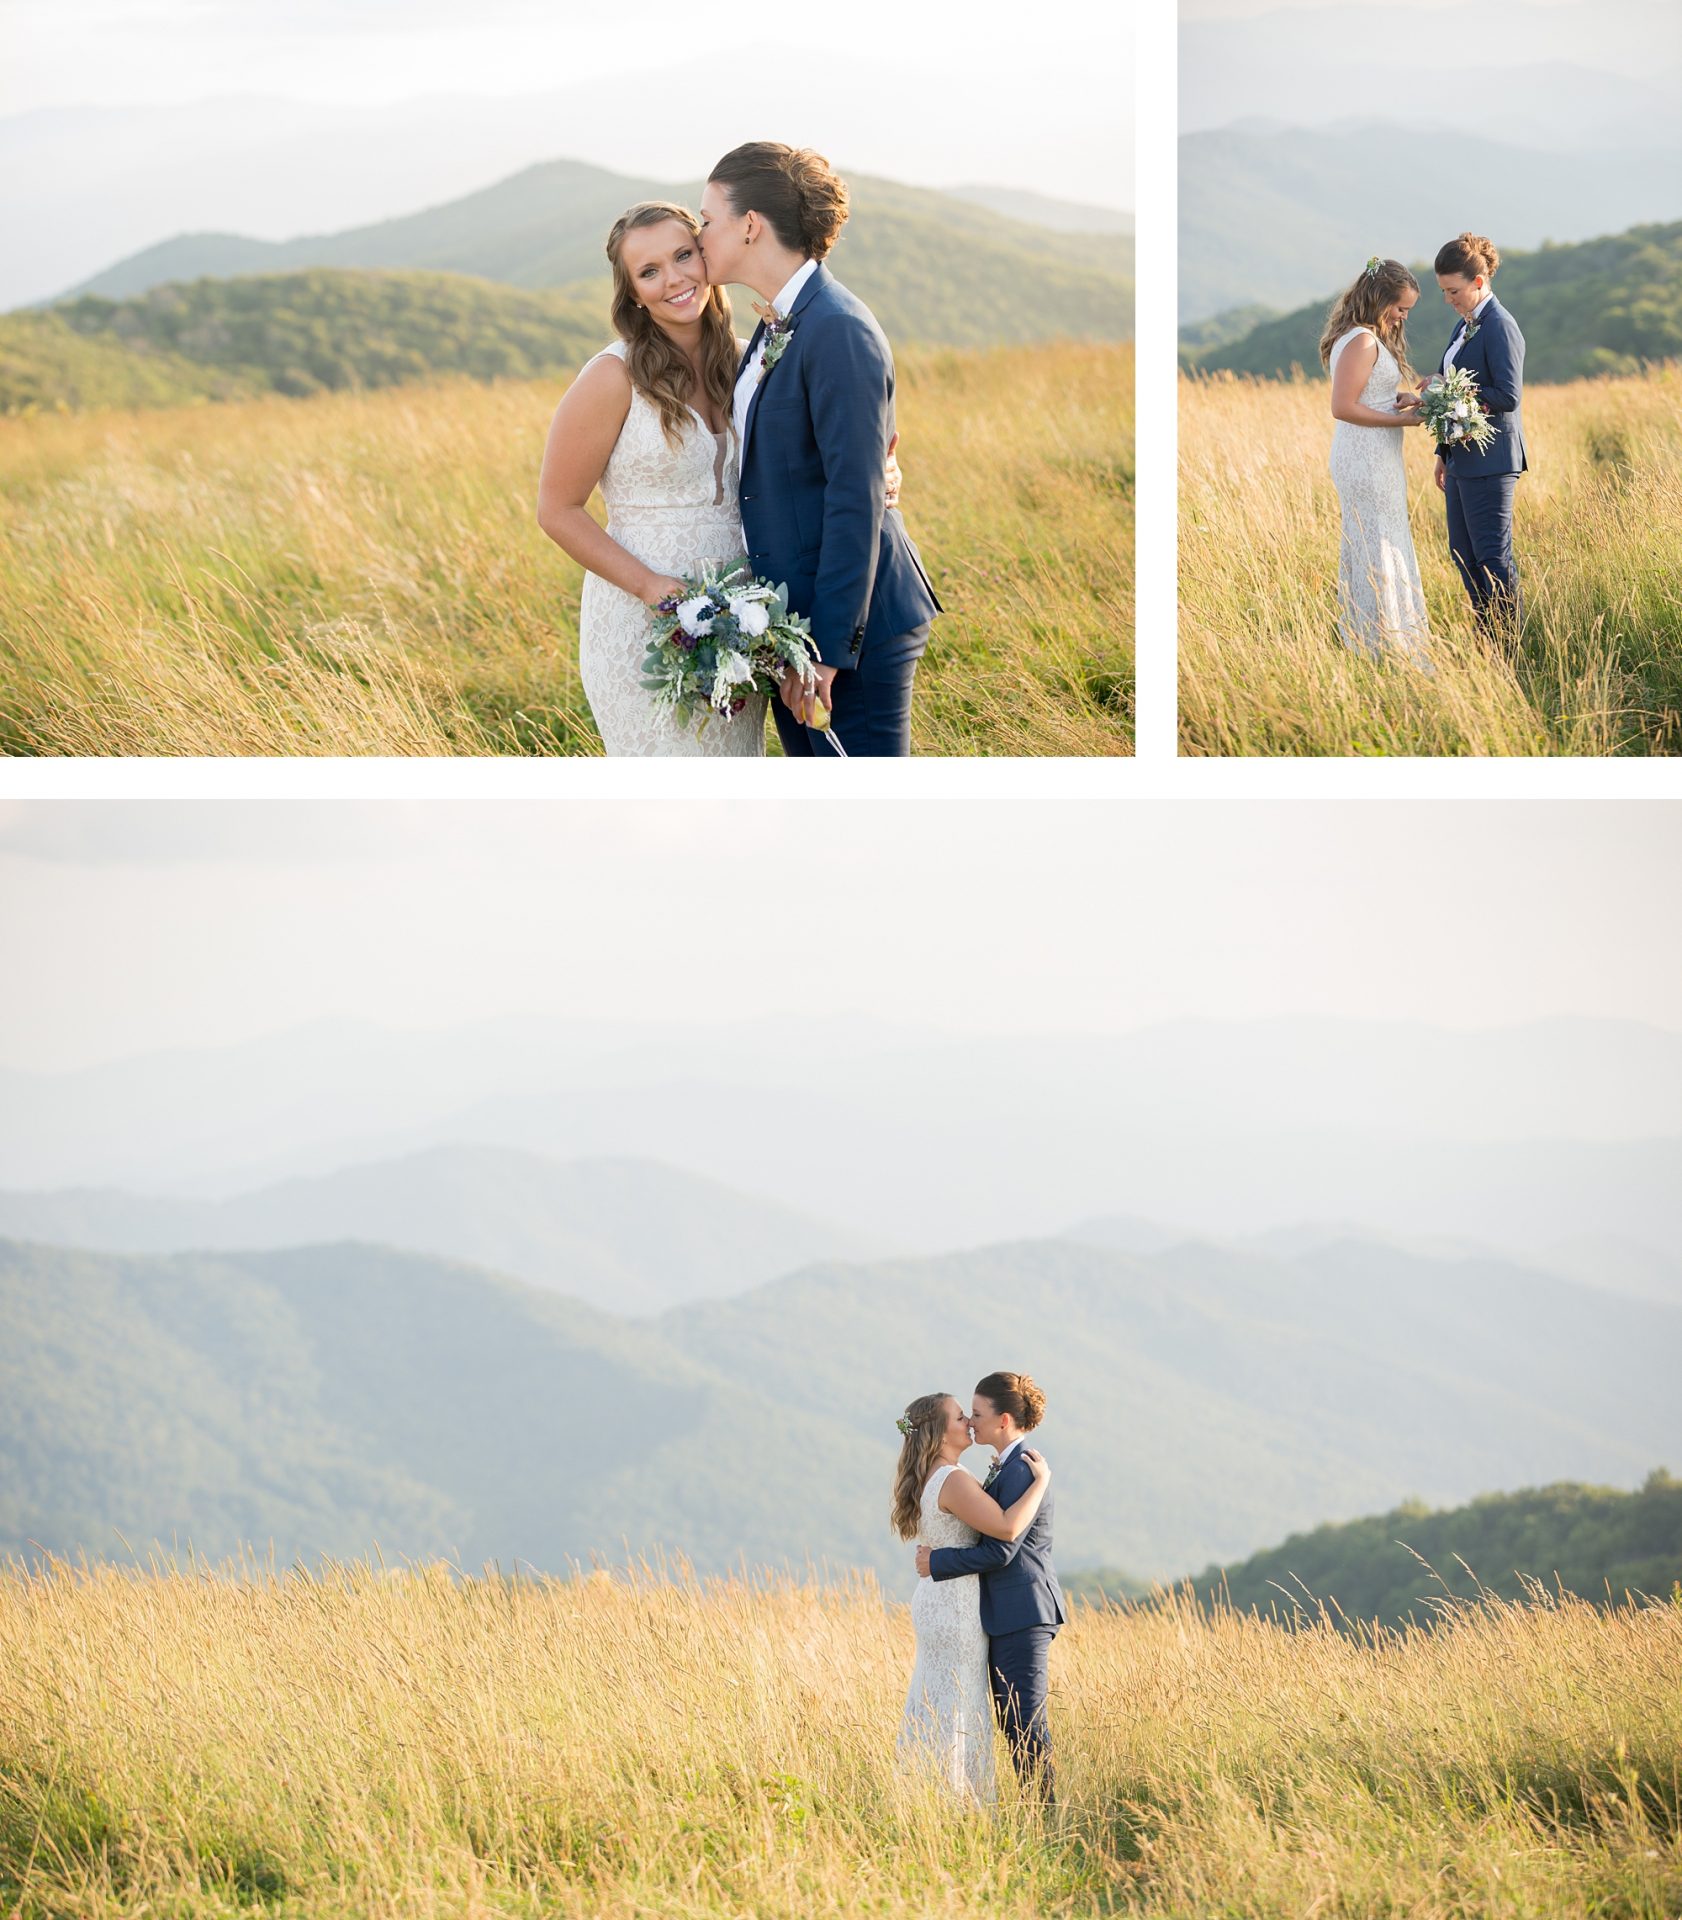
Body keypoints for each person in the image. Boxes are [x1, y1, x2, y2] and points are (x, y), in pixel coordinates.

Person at [535, 197, 903, 755]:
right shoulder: (611, 377)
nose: (674, 279)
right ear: (632, 293)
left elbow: (827, 451)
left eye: (684, 255)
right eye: (649, 272)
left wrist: (881, 474)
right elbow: (557, 510)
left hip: (746, 619)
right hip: (642, 621)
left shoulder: (751, 361)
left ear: (706, 255)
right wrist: (652, 588)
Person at [698, 142, 941, 757]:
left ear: (750, 225)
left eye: (707, 220)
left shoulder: (838, 329)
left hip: (853, 630)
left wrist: (827, 652)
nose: (700, 237)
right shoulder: (779, 321)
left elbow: (855, 500)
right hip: (795, 624)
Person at [892, 1390, 1050, 1803]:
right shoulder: (952, 1478)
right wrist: (1041, 1484)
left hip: (936, 1596)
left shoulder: (932, 1474)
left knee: (938, 1696)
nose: (969, 1422)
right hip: (956, 1604)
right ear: (940, 1432)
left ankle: (926, 1793)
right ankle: (957, 1802)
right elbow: (1006, 1528)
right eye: (960, 1416)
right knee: (959, 1704)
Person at [1320, 256, 1431, 666]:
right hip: (1365, 458)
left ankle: (1386, 642)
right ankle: (1384, 647)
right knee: (1378, 543)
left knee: (1382, 540)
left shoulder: (1361, 337)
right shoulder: (1363, 341)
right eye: (1400, 308)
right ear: (1379, 298)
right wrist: (1401, 420)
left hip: (1375, 454)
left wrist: (1395, 400)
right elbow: (1343, 407)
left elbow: (1366, 395)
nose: (1403, 317)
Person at [1431, 232, 1527, 645]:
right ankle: (1486, 640)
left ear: (1478, 282)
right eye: (1443, 291)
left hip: (1492, 461)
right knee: (1463, 555)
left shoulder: (1500, 326)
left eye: (1453, 291)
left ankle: (1509, 648)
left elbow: (1507, 395)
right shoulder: (1464, 324)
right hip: (1460, 460)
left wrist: (1451, 391)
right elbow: (1450, 384)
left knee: (1492, 559)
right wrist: (1442, 451)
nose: (1448, 299)